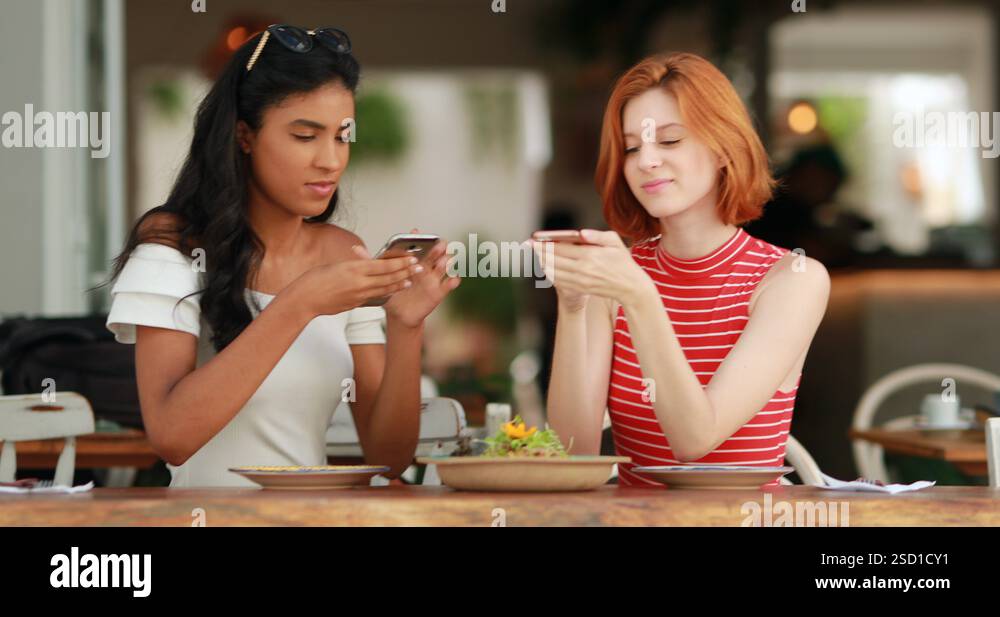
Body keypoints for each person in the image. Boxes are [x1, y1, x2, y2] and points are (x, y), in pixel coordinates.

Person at [101, 25, 459, 487]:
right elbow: (172, 435)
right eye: (305, 136)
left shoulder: (342, 253)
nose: (330, 161)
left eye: (341, 136)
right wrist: (300, 302)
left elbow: (388, 458)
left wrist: (406, 327)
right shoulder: (173, 250)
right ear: (244, 136)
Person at [535, 52, 830, 487]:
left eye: (669, 141)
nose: (646, 161)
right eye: (632, 147)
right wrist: (575, 302)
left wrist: (638, 297)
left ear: (723, 149)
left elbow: (695, 439)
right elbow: (572, 451)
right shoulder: (619, 275)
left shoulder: (793, 280)